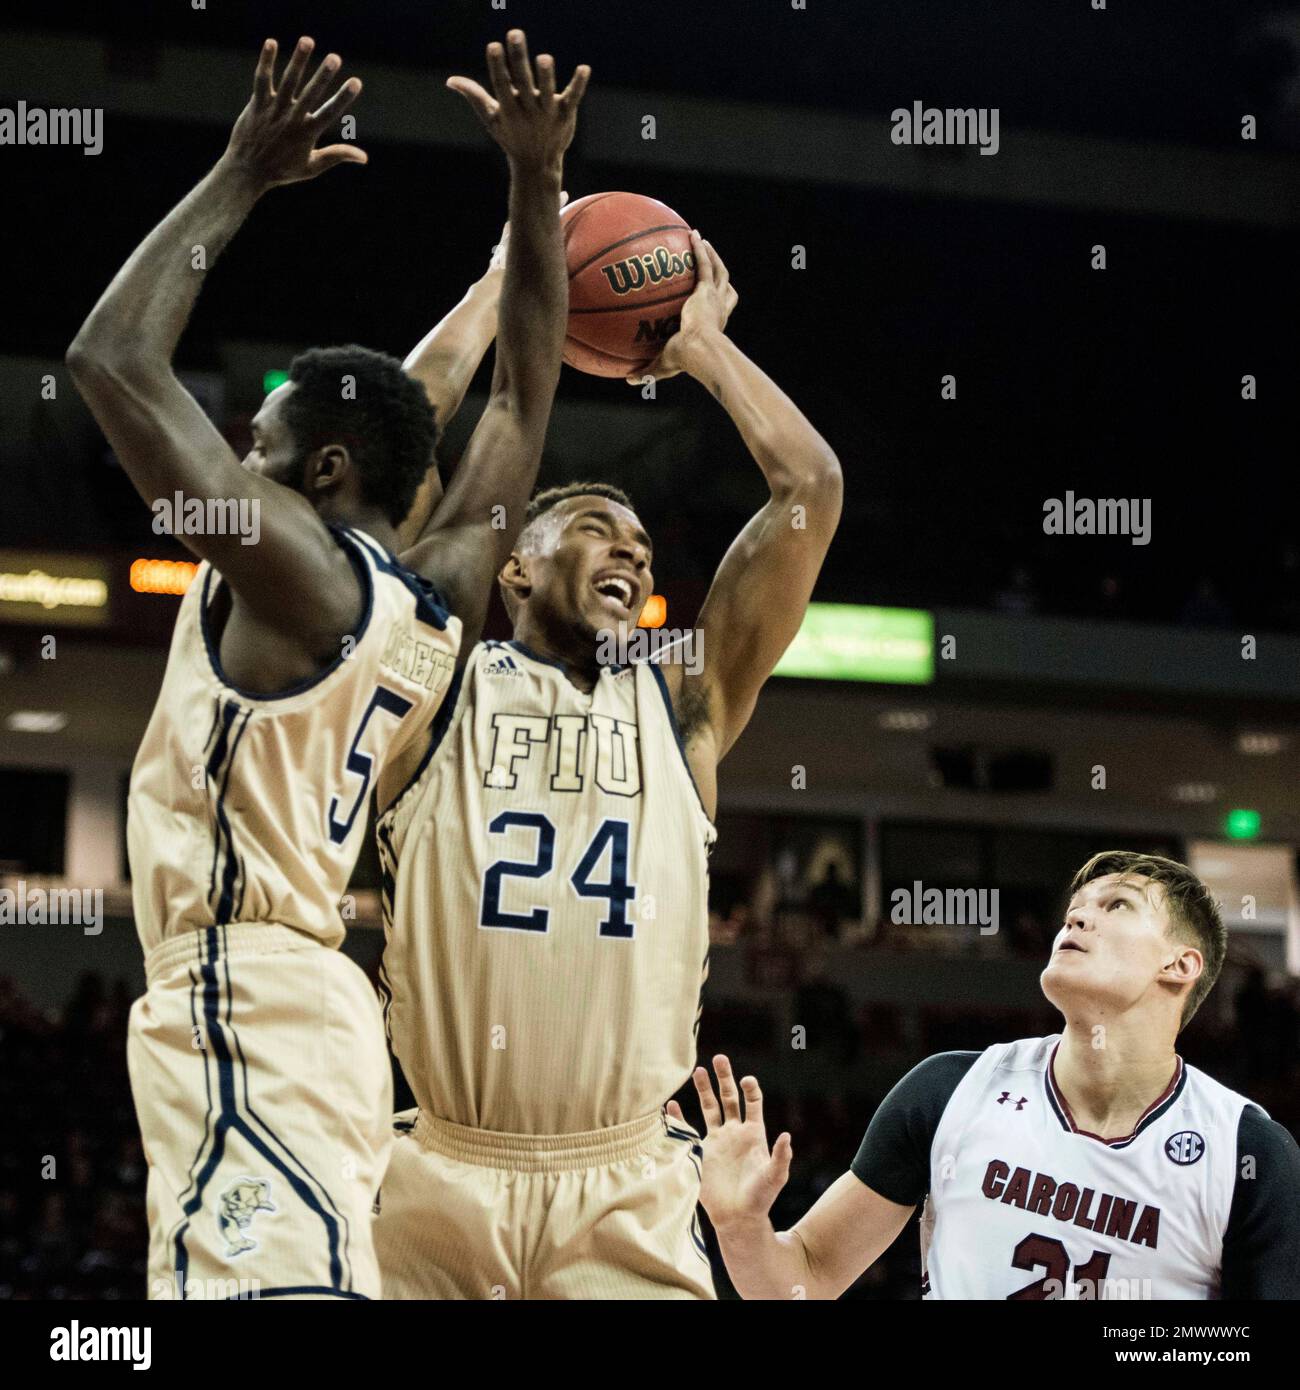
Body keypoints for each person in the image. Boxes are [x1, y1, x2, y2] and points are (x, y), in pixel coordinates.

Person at [65, 30, 586, 1300]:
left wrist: (241, 171)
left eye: (256, 442)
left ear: (320, 477)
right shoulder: (441, 588)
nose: (234, 460)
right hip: (321, 1012)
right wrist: (533, 201)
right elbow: (511, 398)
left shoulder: (287, 570)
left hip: (240, 991)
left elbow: (110, 359)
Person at [372, 232, 843, 1299]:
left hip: (628, 1177)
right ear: (517, 571)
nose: (631, 551)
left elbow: (808, 486)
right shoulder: (435, 677)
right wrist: (497, 287)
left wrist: (707, 350)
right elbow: (380, 458)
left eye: (640, 541)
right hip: (443, 1164)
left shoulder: (683, 697)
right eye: (596, 528)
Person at [685, 851, 1300, 1300]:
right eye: (1075, 910)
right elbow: (808, 1280)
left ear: (1180, 964)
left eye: (1116, 907)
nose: (1076, 921)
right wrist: (741, 1229)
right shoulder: (948, 1091)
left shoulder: (1248, 1152)